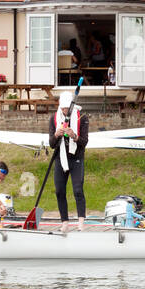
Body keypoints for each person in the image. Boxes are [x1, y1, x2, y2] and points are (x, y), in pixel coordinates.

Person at [48, 90, 89, 232]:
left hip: (76, 157)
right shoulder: (54, 118)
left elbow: (84, 142)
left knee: (78, 190)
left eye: (67, 108)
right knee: (59, 191)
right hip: (60, 158)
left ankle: (81, 223)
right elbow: (52, 144)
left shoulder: (82, 118)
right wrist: (56, 134)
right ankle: (64, 222)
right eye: (63, 108)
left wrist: (74, 136)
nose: (65, 111)